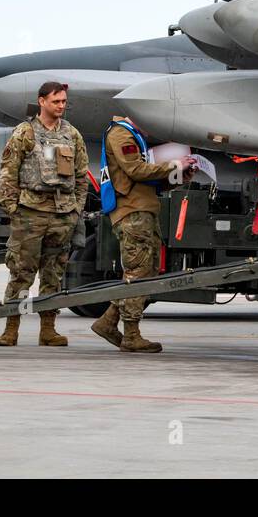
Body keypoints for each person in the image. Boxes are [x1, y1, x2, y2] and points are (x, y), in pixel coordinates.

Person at [90, 115, 195, 353]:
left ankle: (108, 322)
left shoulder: (135, 137)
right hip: (132, 212)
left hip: (142, 209)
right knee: (138, 272)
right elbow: (136, 170)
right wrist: (175, 164)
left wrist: (181, 174)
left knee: (147, 270)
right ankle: (131, 335)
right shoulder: (121, 134)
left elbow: (151, 181)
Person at [0, 81, 88, 347]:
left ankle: (48, 329)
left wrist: (75, 209)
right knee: (22, 273)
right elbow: (8, 173)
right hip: (30, 214)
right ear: (42, 101)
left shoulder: (72, 134)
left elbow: (81, 176)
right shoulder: (25, 133)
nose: (61, 106)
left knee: (53, 274)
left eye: (64, 102)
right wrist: (13, 209)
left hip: (62, 214)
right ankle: (11, 327)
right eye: (56, 101)